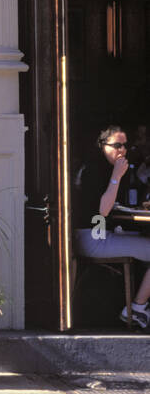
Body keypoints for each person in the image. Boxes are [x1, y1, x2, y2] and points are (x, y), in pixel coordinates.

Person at [74, 125, 150, 328]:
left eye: (124, 146)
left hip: (98, 234)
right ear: (102, 145)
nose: (122, 150)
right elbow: (103, 211)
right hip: (92, 239)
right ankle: (136, 309)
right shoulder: (94, 170)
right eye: (116, 145)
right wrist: (116, 176)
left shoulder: (101, 167)